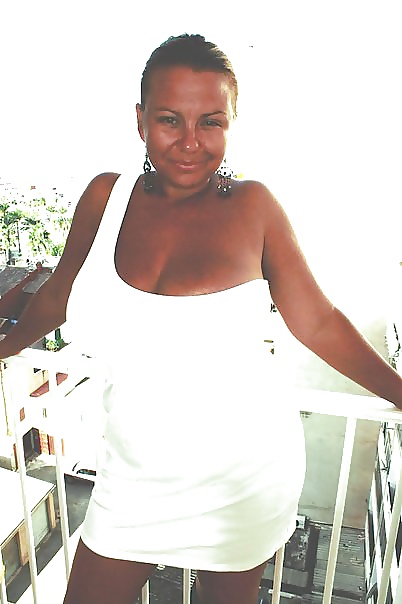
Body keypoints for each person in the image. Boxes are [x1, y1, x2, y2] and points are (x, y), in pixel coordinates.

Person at [1, 33, 402, 604]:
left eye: (210, 122)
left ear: (231, 123)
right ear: (140, 120)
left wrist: (400, 391)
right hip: (133, 477)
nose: (190, 142)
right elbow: (59, 293)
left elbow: (316, 321)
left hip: (243, 477)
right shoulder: (105, 199)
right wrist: (8, 343)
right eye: (170, 119)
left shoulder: (254, 207)